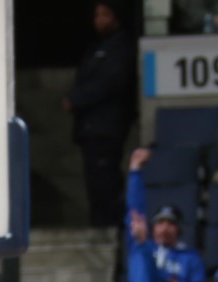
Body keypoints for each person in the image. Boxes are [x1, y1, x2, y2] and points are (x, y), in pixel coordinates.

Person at [64, 1, 134, 226]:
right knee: (94, 183)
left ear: (116, 17)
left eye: (105, 15)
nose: (100, 20)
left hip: (107, 127)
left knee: (106, 181)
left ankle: (110, 226)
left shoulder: (120, 47)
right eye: (97, 15)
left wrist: (77, 99)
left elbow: (111, 82)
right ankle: (99, 225)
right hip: (90, 128)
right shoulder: (95, 47)